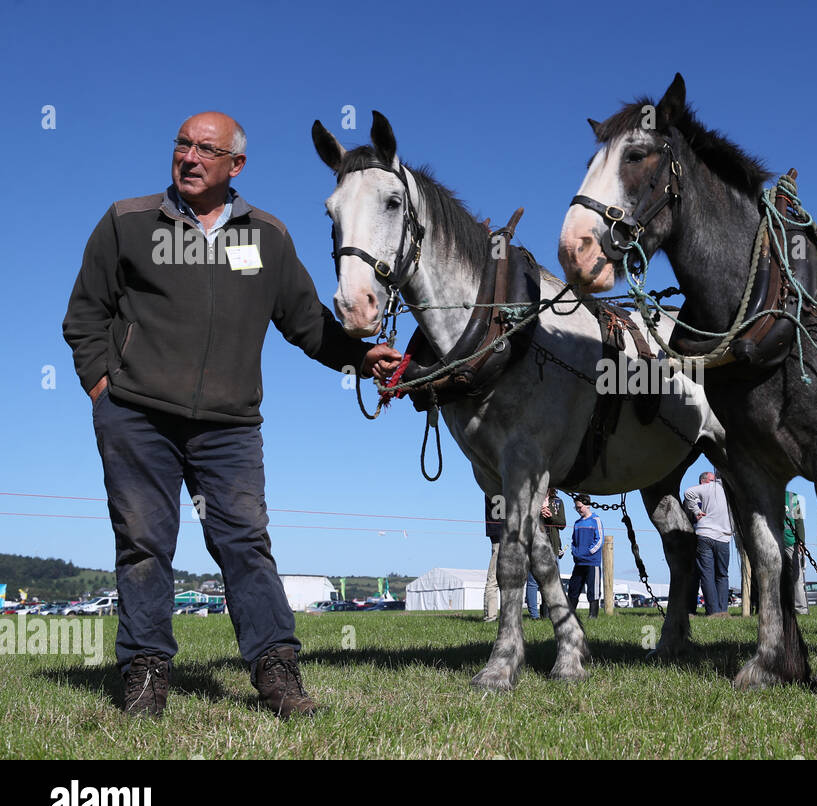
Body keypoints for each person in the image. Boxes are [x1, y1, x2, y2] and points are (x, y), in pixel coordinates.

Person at [62, 112, 402, 718]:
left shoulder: (265, 236)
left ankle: (278, 675)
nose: (189, 157)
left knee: (245, 543)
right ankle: (145, 675)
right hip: (137, 416)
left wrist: (359, 355)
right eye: (183, 145)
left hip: (230, 425)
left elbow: (306, 324)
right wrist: (102, 388)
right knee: (143, 544)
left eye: (206, 150)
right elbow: (84, 313)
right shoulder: (128, 222)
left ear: (235, 166)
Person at [683, 471, 734, 617]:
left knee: (707, 575)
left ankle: (713, 611)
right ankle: (722, 611)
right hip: (723, 536)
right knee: (722, 575)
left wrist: (697, 511)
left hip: (704, 533)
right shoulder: (731, 489)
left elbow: (688, 493)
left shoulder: (707, 488)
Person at [531, 488, 566, 620]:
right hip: (535, 545)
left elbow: (562, 524)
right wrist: (539, 513)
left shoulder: (557, 502)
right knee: (533, 582)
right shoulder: (532, 501)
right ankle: (535, 615)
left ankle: (550, 613)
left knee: (552, 580)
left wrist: (550, 516)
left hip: (553, 546)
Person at [567, 494, 604, 618]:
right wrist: (574, 552)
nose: (578, 510)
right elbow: (573, 541)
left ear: (587, 505)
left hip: (592, 563)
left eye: (579, 507)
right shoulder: (577, 523)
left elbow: (599, 540)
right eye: (576, 508)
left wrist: (588, 552)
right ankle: (570, 615)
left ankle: (593, 616)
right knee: (573, 589)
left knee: (593, 591)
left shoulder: (596, 520)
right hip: (578, 563)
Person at [783, 490, 809, 615]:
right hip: (773, 542)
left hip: (790, 542)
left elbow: (799, 520)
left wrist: (801, 541)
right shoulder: (768, 493)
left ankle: (800, 609)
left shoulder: (792, 497)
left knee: (796, 577)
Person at [483, 493, 502, 622]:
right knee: (494, 579)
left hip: (498, 536)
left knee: (494, 579)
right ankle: (491, 615)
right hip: (503, 537)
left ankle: (491, 615)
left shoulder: (490, 487)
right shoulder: (497, 491)